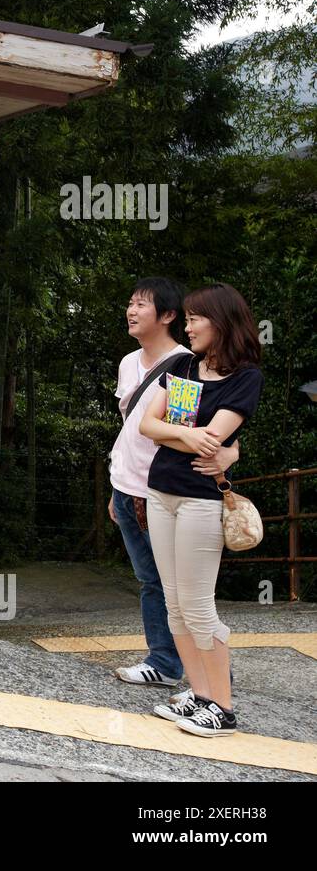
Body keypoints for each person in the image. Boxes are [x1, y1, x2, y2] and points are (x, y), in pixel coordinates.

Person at [139, 283, 263, 737]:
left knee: (197, 605)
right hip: (161, 491)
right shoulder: (185, 366)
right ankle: (201, 694)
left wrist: (192, 436)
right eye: (186, 319)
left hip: (199, 500)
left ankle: (224, 709)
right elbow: (149, 425)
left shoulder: (247, 377)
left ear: (221, 322)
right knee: (174, 605)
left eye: (195, 319)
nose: (187, 327)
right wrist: (189, 437)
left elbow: (215, 436)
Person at [108, 278, 222, 687]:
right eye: (130, 303)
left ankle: (174, 664)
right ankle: (180, 662)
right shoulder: (127, 363)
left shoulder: (185, 364)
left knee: (171, 583)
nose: (131, 311)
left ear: (169, 315)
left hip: (158, 490)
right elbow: (129, 428)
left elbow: (178, 432)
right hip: (126, 486)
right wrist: (117, 488)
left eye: (141, 304)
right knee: (153, 580)